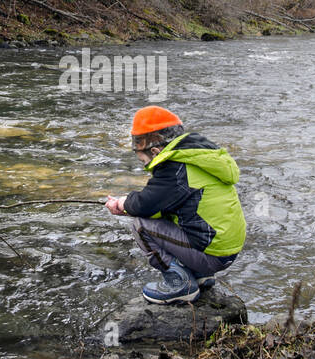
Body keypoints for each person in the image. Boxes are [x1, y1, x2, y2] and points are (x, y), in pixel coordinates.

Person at [105, 106, 246, 304]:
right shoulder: (198, 157)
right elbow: (164, 205)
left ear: (154, 151)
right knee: (167, 216)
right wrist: (129, 204)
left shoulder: (175, 169)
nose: (145, 166)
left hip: (212, 255)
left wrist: (122, 203)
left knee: (140, 225)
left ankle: (181, 284)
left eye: (143, 161)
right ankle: (199, 274)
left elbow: (144, 206)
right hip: (225, 250)